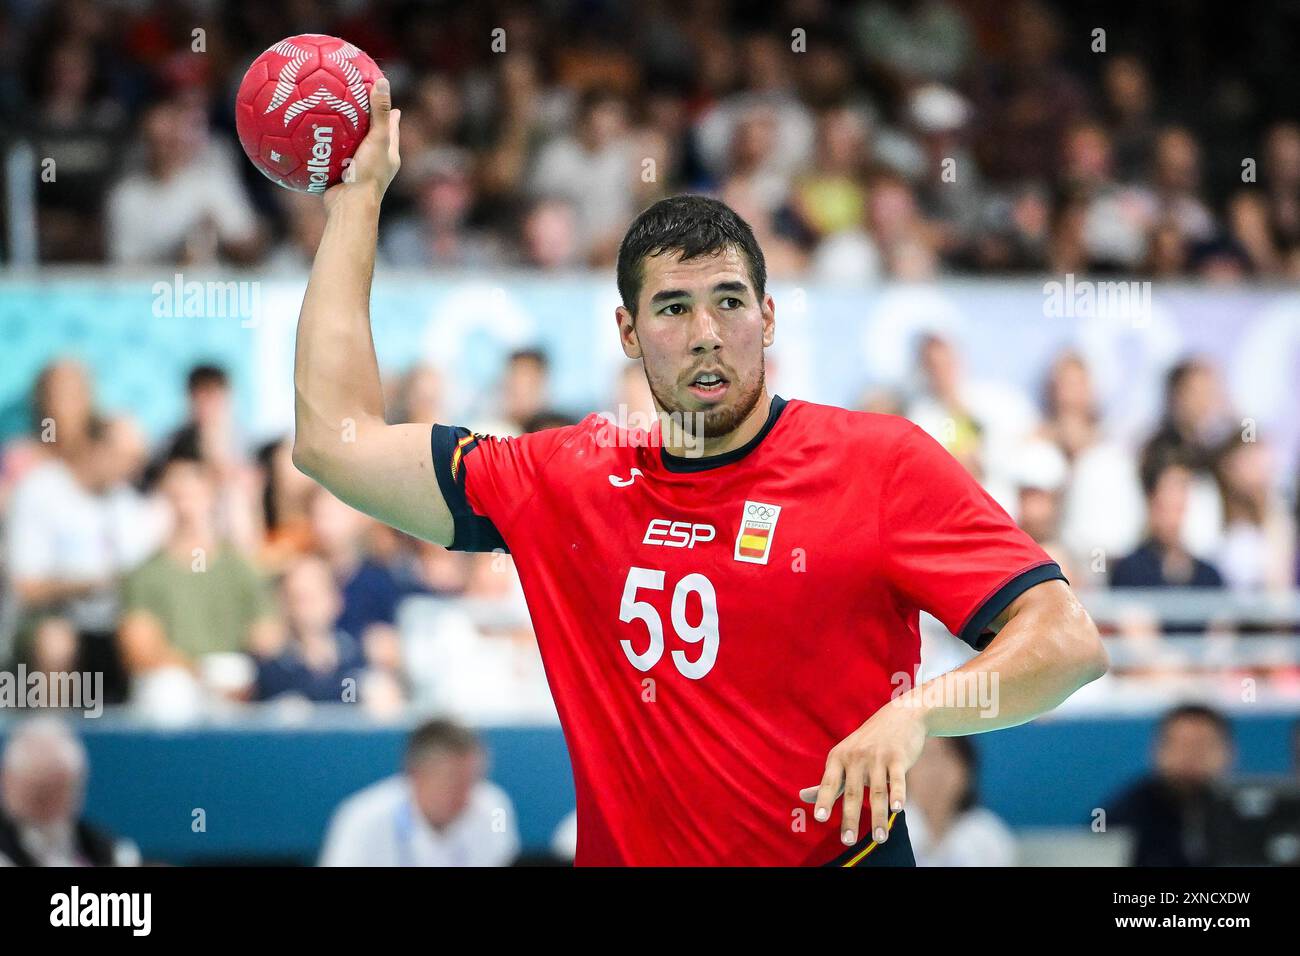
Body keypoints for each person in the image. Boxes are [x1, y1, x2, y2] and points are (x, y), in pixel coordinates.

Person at [290, 79, 1108, 866]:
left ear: (769, 315)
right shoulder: (564, 477)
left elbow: (1066, 640)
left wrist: (922, 712)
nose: (708, 332)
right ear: (629, 332)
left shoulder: (879, 463)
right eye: (674, 309)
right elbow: (337, 441)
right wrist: (358, 202)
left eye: (729, 301)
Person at [318, 719, 519, 867]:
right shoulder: (363, 819)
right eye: (454, 782)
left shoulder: (494, 810)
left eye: (474, 780)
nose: (467, 796)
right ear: (416, 775)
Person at [1102, 704, 1233, 866]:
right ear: (1157, 749)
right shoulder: (1126, 812)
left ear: (1228, 751)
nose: (1190, 755)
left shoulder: (1246, 810)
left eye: (1201, 746)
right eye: (1181, 745)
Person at [0, 718, 139, 867]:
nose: (48, 802)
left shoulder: (109, 849)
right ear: (6, 780)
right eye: (38, 789)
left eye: (57, 789)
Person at [905, 736, 1016, 866]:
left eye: (947, 756)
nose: (935, 771)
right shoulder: (887, 829)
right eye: (926, 757)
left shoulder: (991, 838)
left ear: (966, 769)